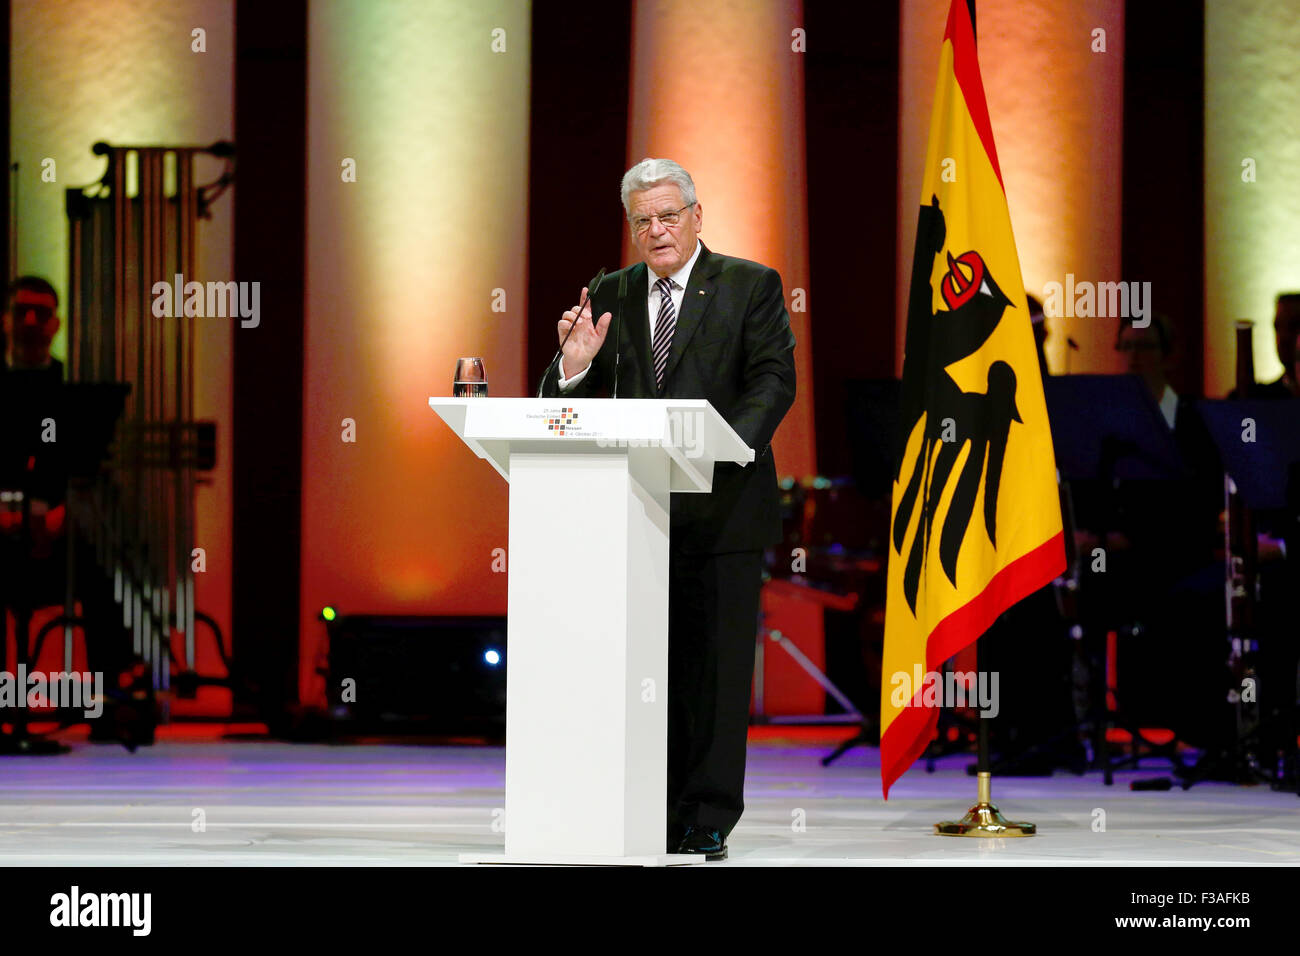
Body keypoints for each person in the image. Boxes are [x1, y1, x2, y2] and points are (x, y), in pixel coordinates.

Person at [540, 158, 796, 860]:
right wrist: (577, 366)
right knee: (646, 675)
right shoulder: (610, 292)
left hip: (724, 510)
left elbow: (773, 381)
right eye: (643, 221)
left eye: (668, 216)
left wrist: (723, 448)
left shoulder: (750, 285)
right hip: (635, 515)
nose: (657, 230)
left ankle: (707, 815)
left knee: (713, 676)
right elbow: (555, 406)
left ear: (696, 216)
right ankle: (650, 808)